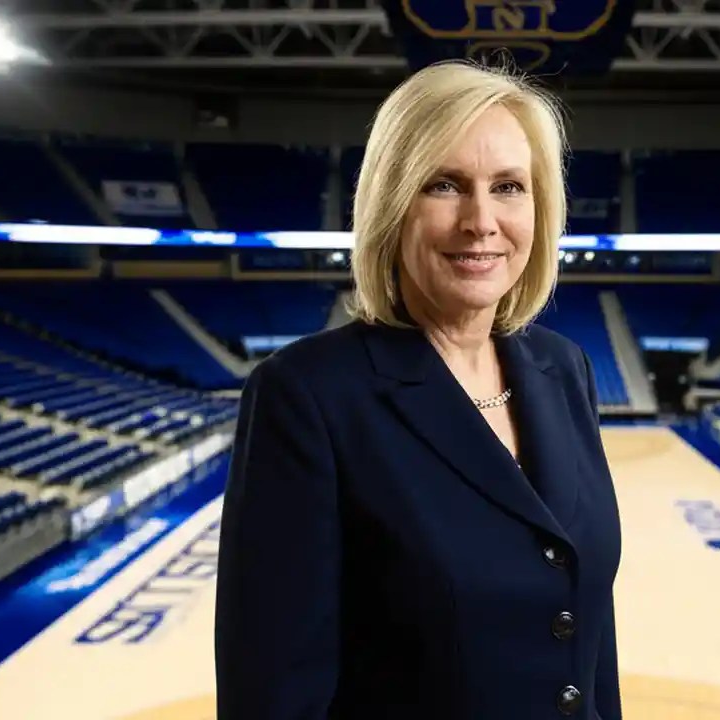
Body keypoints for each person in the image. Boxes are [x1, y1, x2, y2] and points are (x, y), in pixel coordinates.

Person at [214, 60, 624, 720]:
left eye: (510, 187)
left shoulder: (564, 369)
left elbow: (587, 635)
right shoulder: (307, 397)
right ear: (392, 203)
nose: (481, 220)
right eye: (444, 185)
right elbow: (272, 696)